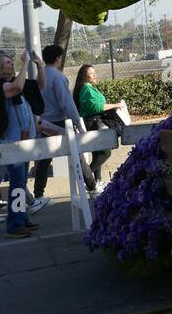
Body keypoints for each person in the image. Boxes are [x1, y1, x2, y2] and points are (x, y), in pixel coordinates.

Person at [0, 50, 42, 237]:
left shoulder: (10, 83)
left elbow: (37, 86)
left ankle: (21, 218)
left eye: (11, 62)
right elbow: (17, 88)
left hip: (21, 141)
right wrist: (25, 64)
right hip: (10, 141)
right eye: (7, 63)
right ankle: (14, 224)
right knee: (16, 184)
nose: (11, 64)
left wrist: (39, 65)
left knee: (19, 183)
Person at [30, 44, 86, 209]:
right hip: (60, 121)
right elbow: (67, 104)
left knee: (44, 159)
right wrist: (77, 123)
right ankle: (90, 184)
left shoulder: (39, 76)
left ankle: (38, 194)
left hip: (43, 122)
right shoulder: (58, 77)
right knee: (77, 154)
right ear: (58, 58)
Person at [74, 64, 124, 195]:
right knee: (105, 152)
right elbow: (97, 107)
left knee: (98, 153)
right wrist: (116, 105)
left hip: (96, 122)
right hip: (93, 123)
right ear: (85, 76)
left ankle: (97, 181)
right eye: (92, 73)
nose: (95, 75)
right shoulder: (86, 89)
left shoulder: (89, 88)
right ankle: (88, 177)